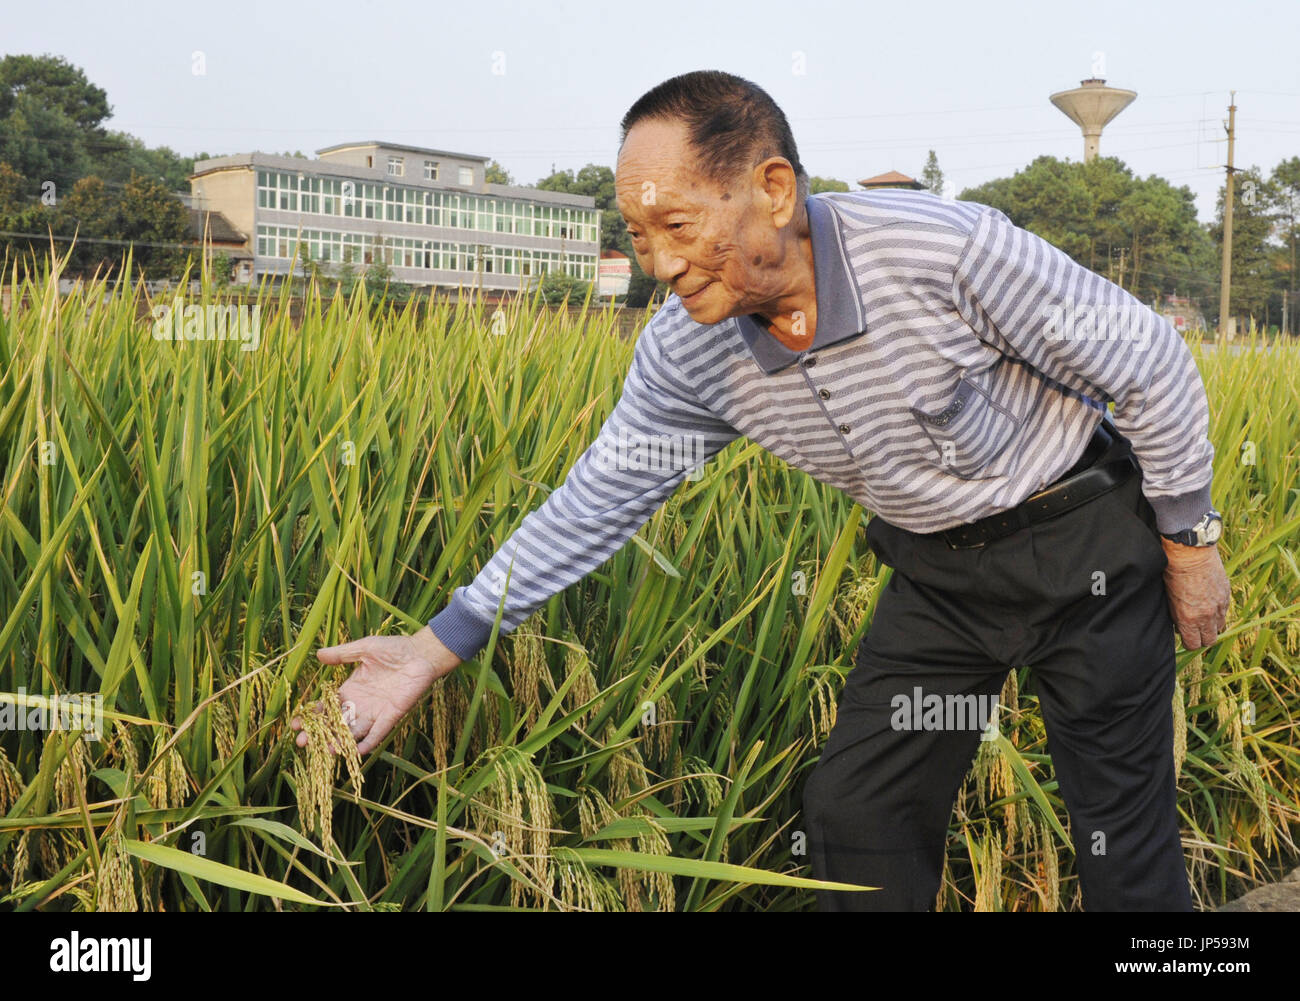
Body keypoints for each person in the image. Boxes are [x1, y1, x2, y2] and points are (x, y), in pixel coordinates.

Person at [292, 69, 1230, 911]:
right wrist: (432, 646)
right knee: (858, 810)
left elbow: (1147, 359)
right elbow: (602, 494)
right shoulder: (688, 347)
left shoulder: (941, 251)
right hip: (940, 580)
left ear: (773, 190)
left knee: (1120, 840)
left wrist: (1190, 543)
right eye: (637, 233)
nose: (660, 262)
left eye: (678, 226)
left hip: (1083, 547)